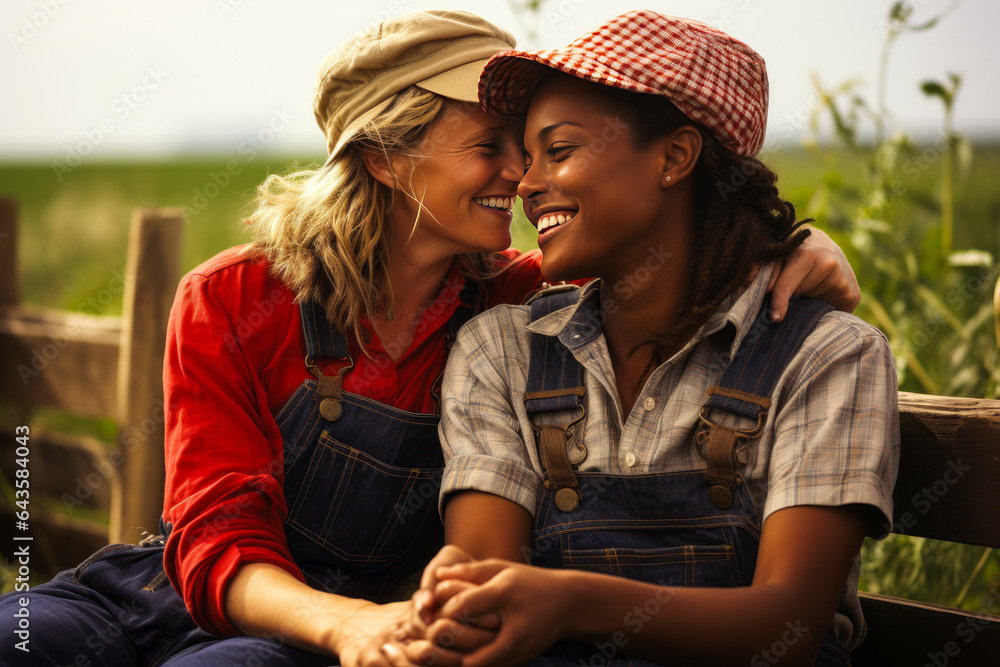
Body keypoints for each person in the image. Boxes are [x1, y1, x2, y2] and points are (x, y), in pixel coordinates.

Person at [0, 10, 863, 667]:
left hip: (360, 626)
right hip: (172, 592)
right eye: (492, 146)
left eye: (531, 149)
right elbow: (221, 530)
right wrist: (349, 623)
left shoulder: (516, 302)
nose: (522, 177)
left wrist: (791, 245)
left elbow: (668, 252)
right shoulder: (234, 297)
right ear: (385, 156)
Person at [407, 10, 899, 667]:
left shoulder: (826, 355)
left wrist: (571, 601)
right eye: (528, 158)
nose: (524, 184)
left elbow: (789, 629)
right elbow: (488, 594)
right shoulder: (502, 351)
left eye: (558, 151)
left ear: (674, 156)